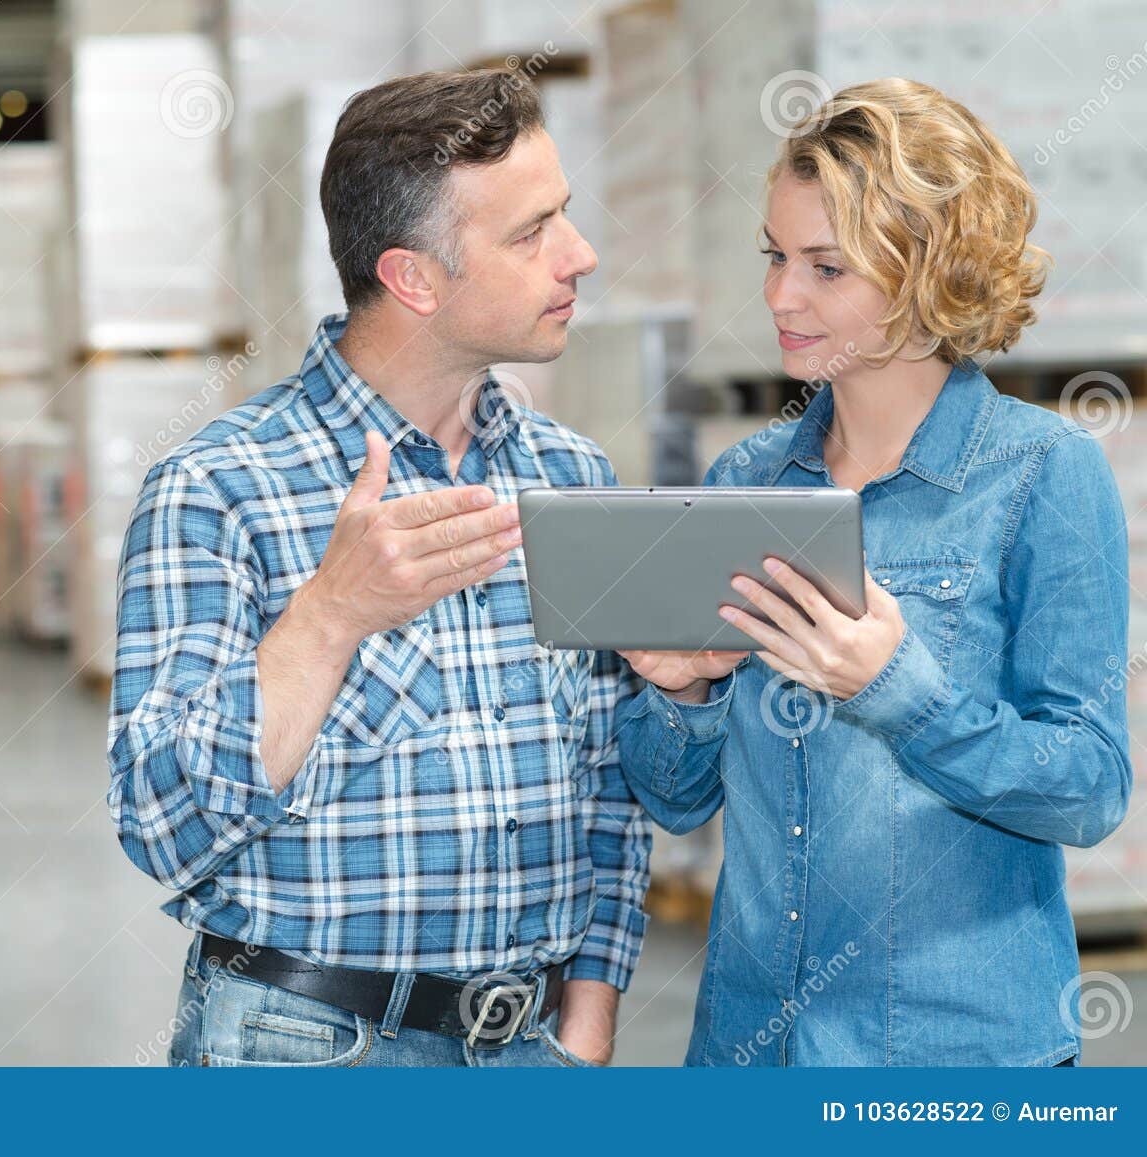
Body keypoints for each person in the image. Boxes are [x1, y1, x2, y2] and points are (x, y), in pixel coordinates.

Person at [108, 69, 732, 1067]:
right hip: (305, 1049)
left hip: (532, 1047)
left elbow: (638, 793)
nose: (580, 255)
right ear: (415, 279)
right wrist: (327, 617)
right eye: (530, 235)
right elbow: (161, 823)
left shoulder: (568, 475)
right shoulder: (219, 487)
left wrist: (592, 1008)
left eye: (563, 215)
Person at [619, 78, 1132, 1066]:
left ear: (925, 271)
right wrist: (679, 693)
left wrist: (896, 691)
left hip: (957, 1059)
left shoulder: (1041, 477)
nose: (778, 295)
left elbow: (1086, 789)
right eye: (773, 257)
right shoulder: (744, 480)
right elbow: (677, 799)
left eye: (824, 266)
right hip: (748, 1053)